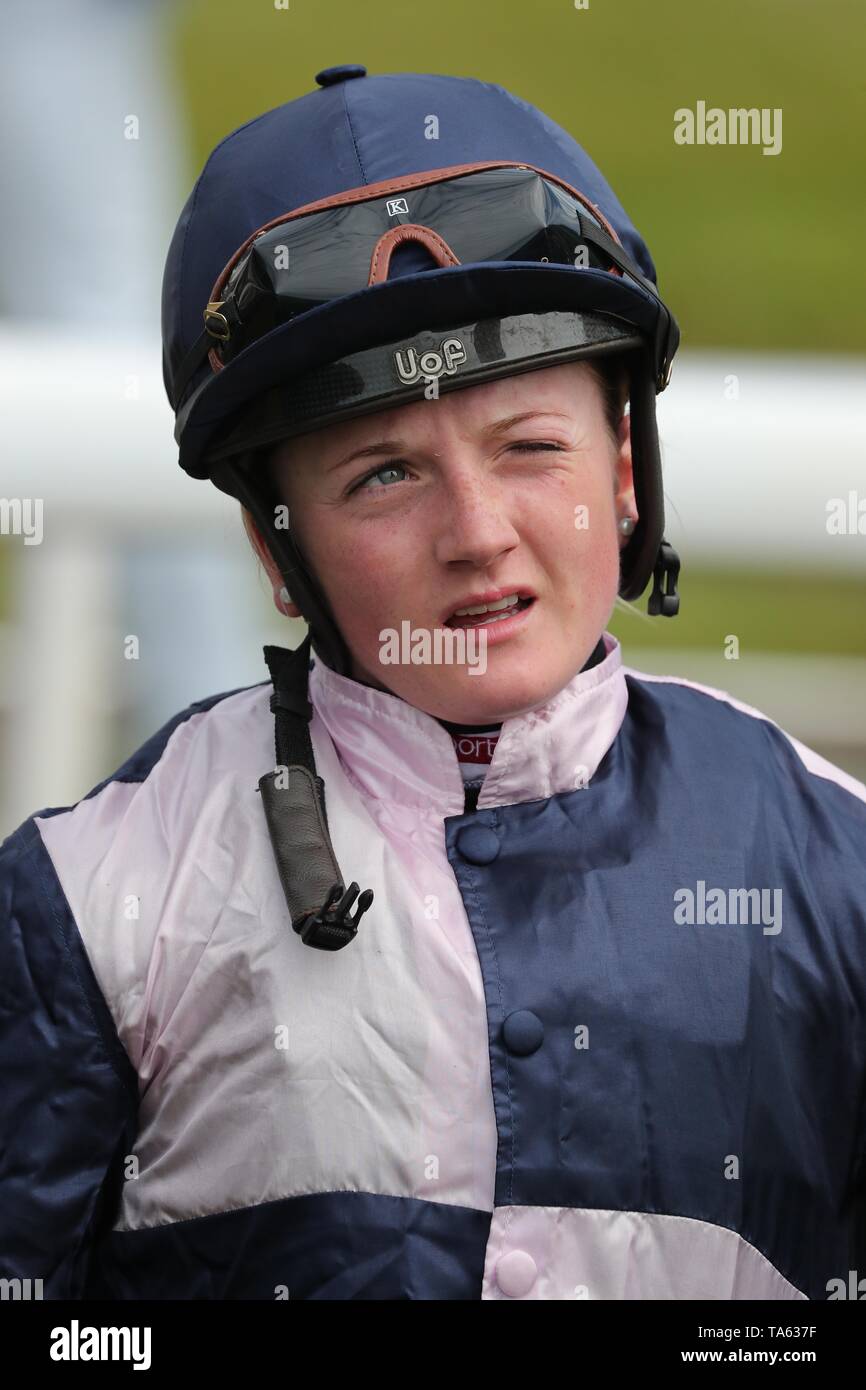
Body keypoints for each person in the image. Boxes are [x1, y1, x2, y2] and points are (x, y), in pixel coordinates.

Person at [1, 65, 864, 1303]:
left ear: (623, 471)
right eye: (382, 477)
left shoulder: (826, 864)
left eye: (528, 449)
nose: (477, 532)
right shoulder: (87, 908)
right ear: (274, 548)